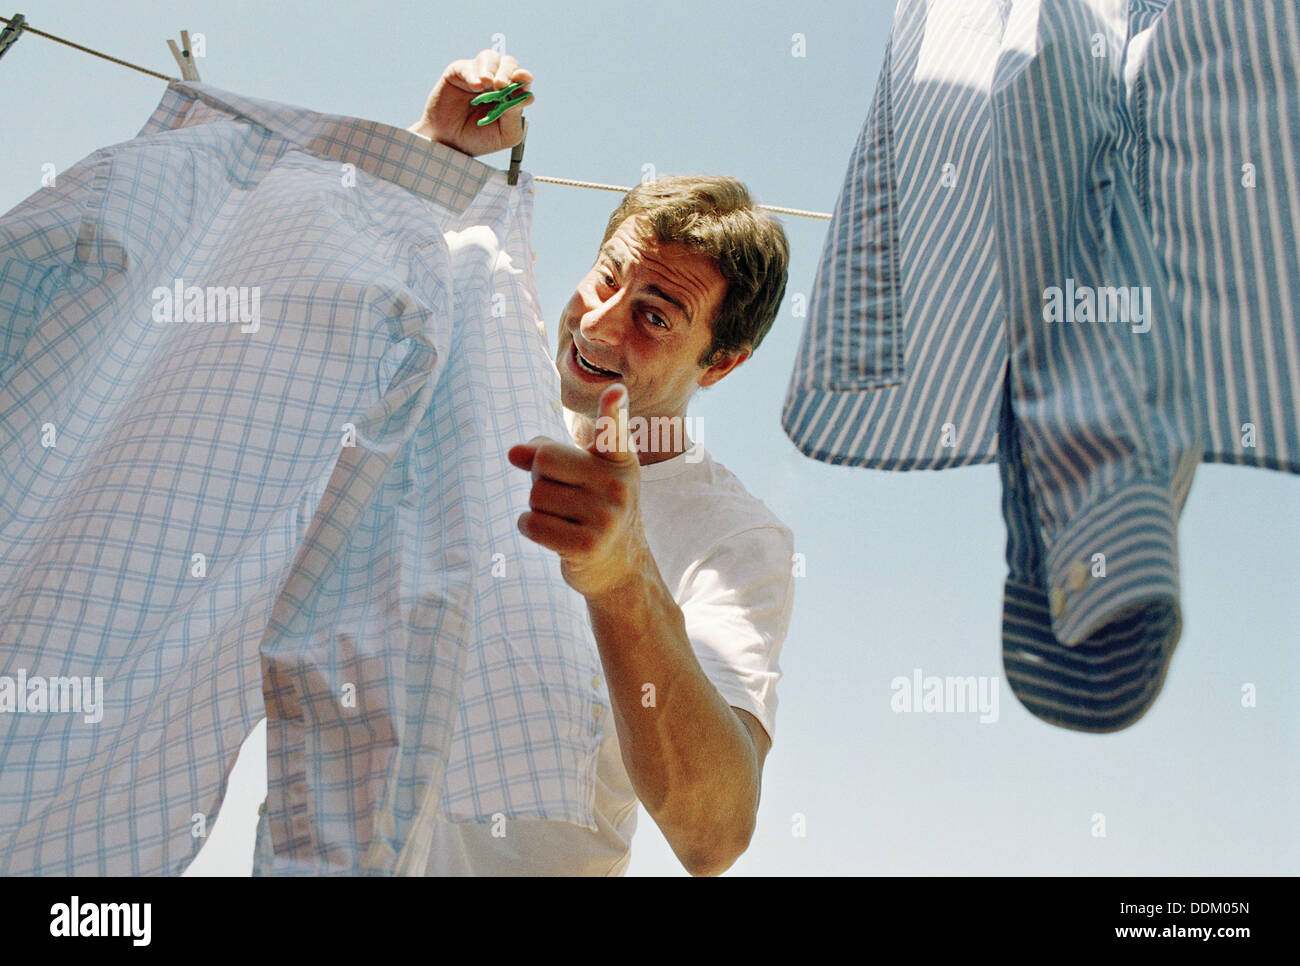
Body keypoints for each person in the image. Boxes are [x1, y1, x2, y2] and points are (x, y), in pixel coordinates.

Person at [405, 50, 795, 876]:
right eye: (607, 278)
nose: (599, 325)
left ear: (721, 364)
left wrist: (622, 579)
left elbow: (714, 832)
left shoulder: (737, 539)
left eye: (654, 316)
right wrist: (432, 149)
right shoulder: (459, 389)